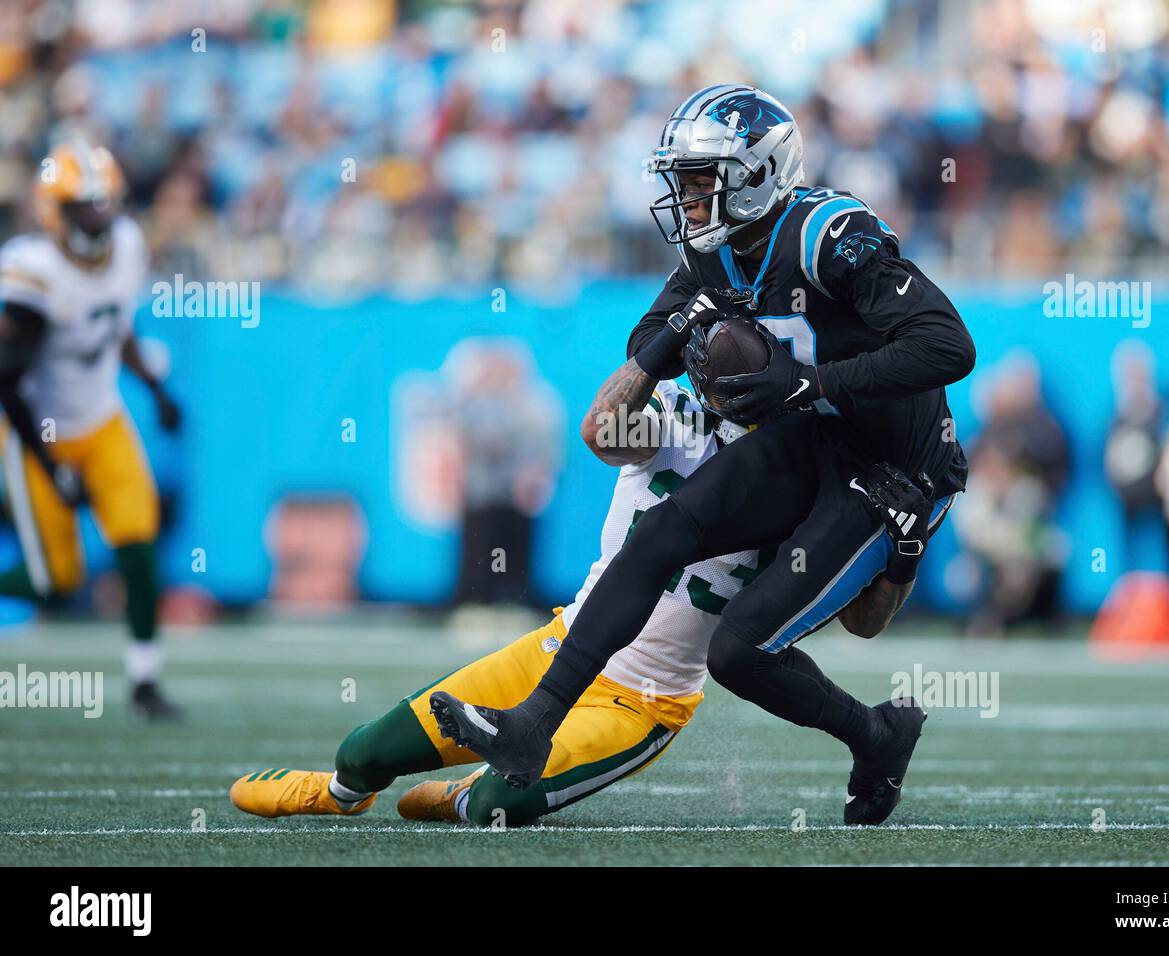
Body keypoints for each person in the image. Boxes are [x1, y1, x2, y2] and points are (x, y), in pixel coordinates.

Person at [429, 85, 974, 826]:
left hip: (891, 468)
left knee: (738, 653)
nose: (684, 197)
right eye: (680, 179)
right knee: (662, 531)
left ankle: (877, 735)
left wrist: (811, 383)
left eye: (698, 179)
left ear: (757, 174)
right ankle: (534, 723)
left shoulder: (828, 236)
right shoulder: (712, 252)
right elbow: (640, 354)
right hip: (812, 433)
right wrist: (683, 330)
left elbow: (948, 347)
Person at [230, 371, 914, 826]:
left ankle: (466, 794)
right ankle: (340, 794)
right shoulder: (675, 416)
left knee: (495, 807)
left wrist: (903, 553)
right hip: (557, 650)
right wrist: (657, 350)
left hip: (642, 701)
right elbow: (601, 432)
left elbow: (863, 622)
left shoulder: (815, 483)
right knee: (363, 751)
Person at [0, 141, 183, 719]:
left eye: (104, 203)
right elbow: (6, 384)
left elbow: (116, 326)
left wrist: (155, 389)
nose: (98, 216)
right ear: (54, 210)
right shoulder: (34, 273)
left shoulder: (127, 246)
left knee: (138, 543)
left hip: (102, 419)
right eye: (84, 205)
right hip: (37, 431)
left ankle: (145, 682)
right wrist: (51, 465)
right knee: (56, 580)